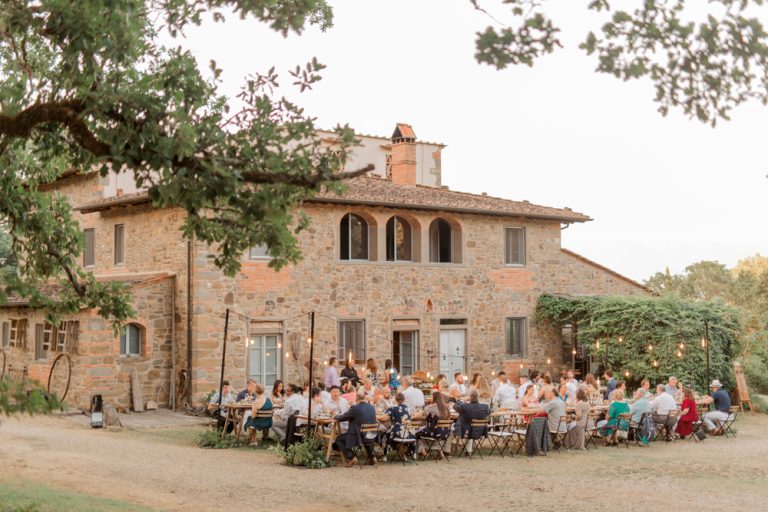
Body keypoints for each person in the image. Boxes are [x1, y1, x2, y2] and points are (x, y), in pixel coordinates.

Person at [334, 388, 378, 466]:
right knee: (365, 436)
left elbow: (342, 418)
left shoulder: (355, 408)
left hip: (358, 437)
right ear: (364, 398)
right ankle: (372, 456)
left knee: (338, 439)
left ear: (356, 398)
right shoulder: (372, 407)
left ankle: (351, 457)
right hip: (371, 435)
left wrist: (335, 415)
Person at [416, 391, 453, 458]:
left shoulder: (430, 408)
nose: (430, 398)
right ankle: (440, 450)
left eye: (431, 396)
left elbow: (421, 415)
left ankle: (423, 451)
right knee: (428, 429)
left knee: (416, 433)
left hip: (434, 433)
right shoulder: (446, 408)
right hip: (445, 433)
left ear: (434, 398)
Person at [381, 392, 416, 459]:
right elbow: (412, 416)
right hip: (410, 432)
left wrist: (375, 416)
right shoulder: (408, 408)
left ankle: (384, 455)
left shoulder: (392, 408)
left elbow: (384, 419)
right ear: (404, 399)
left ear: (395, 399)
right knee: (393, 433)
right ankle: (404, 454)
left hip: (398, 433)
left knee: (384, 434)